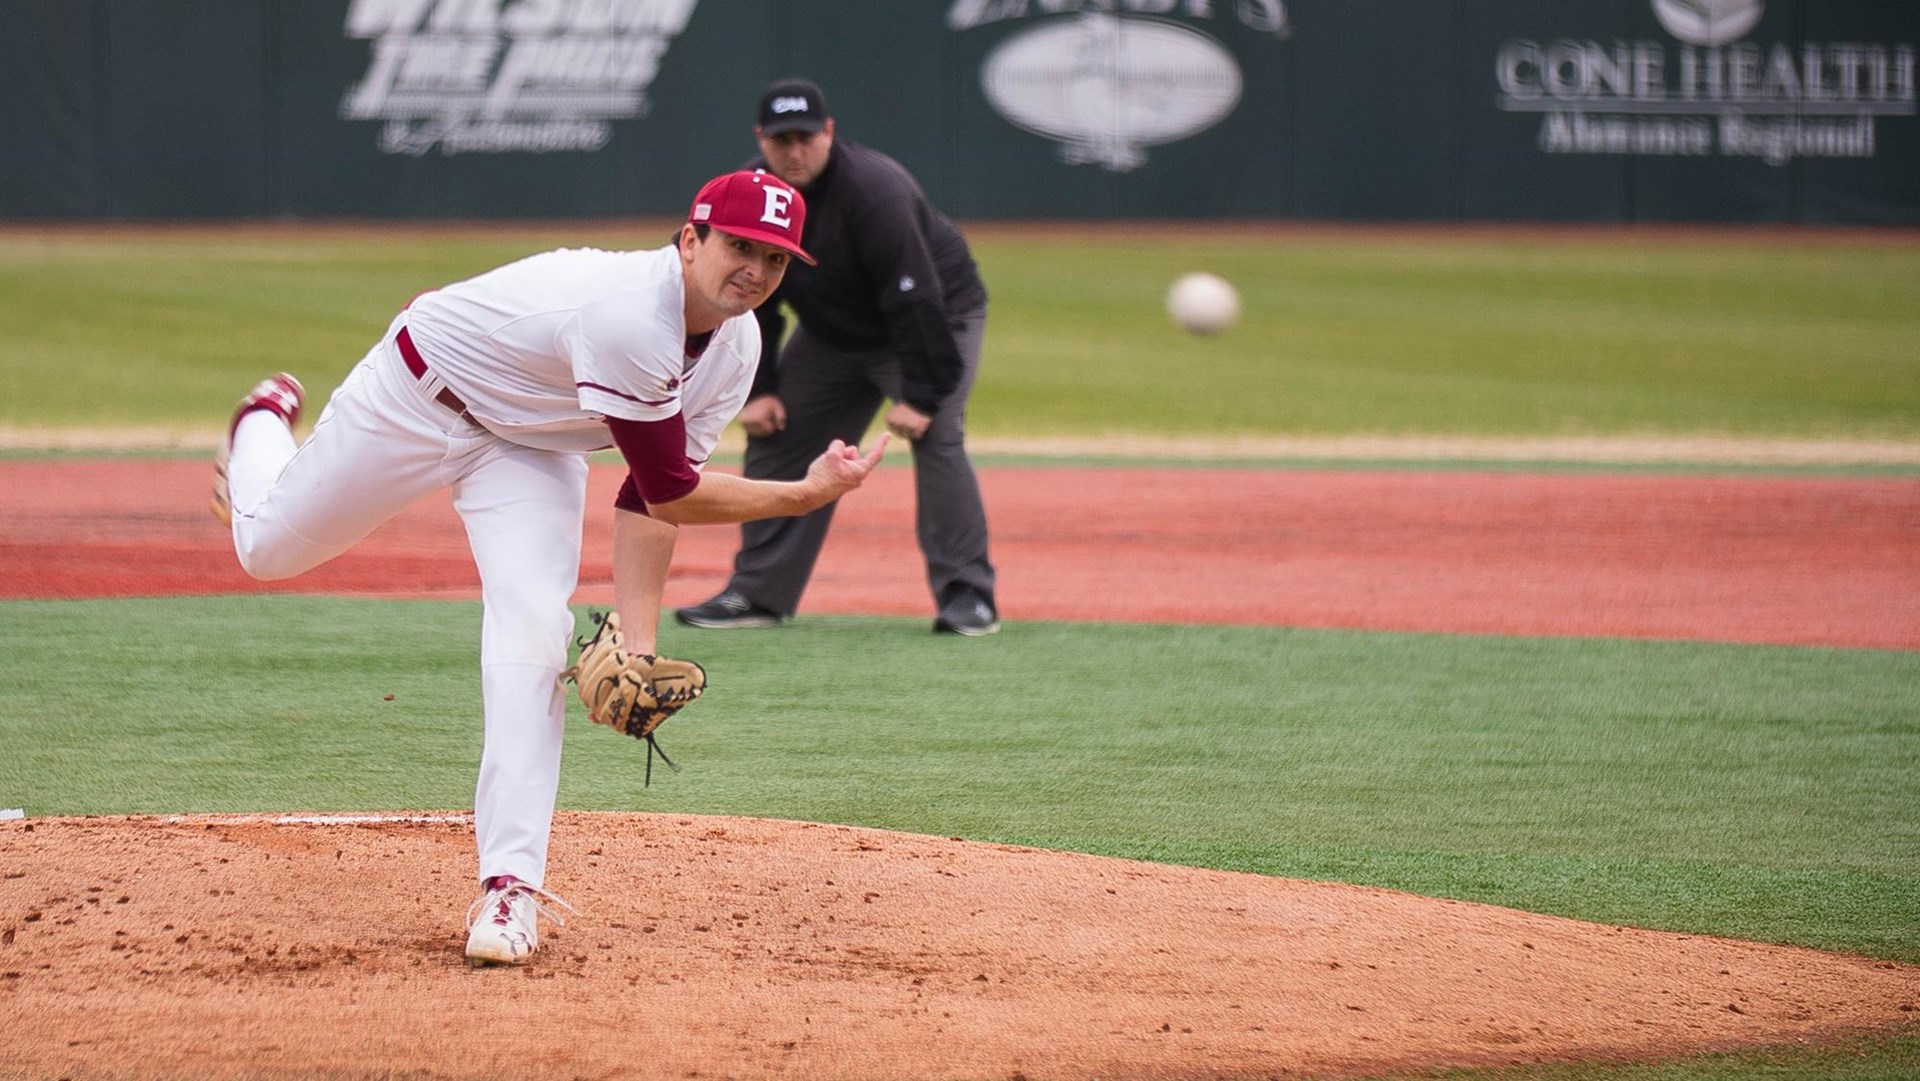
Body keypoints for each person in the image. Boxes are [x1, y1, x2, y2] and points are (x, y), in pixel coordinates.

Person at [211, 170, 889, 966]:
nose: (756, 270)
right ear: (691, 239)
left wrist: (636, 639)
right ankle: (260, 423)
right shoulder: (632, 316)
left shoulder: (737, 349)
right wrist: (802, 494)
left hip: (535, 447)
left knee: (535, 628)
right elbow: (674, 484)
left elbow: (648, 500)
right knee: (267, 547)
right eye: (740, 246)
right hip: (421, 391)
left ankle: (510, 890)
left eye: (775, 260)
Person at [674, 78, 999, 636]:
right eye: (781, 141)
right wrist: (762, 388)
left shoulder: (876, 191)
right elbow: (747, 294)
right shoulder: (754, 195)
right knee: (778, 433)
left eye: (805, 137)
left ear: (829, 132)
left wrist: (922, 398)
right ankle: (757, 594)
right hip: (833, 336)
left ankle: (968, 596)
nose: (794, 151)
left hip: (928, 325)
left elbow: (916, 299)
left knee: (938, 436)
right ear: (761, 139)